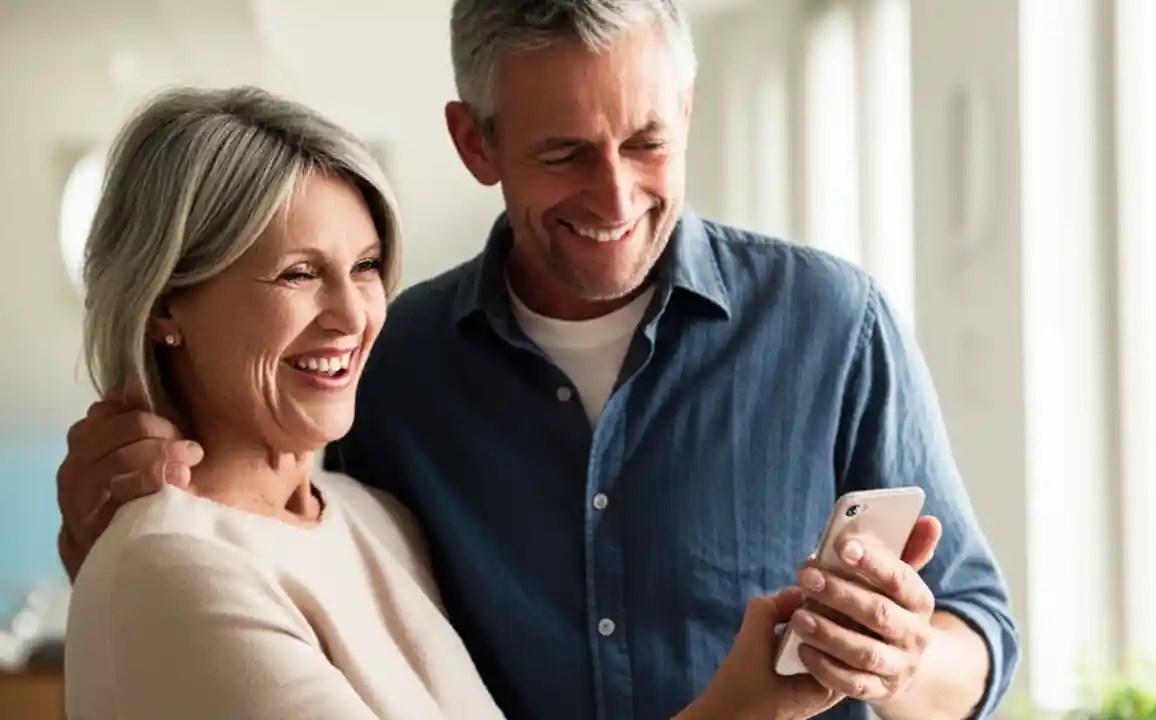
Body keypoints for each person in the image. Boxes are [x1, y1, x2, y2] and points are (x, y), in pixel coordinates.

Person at [57, 1, 1020, 718]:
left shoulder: (830, 323)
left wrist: (898, 660)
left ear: (686, 109)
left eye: (646, 139)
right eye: (563, 152)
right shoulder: (390, 377)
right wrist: (116, 535)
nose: (615, 195)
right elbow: (227, 555)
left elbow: (981, 637)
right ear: (475, 141)